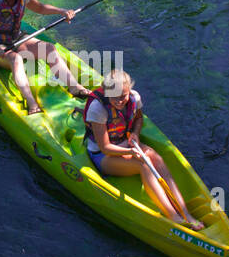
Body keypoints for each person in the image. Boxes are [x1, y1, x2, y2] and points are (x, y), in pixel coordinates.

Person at [84, 69, 205, 229]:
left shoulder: (134, 97)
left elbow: (138, 118)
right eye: (115, 97)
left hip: (125, 143)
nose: (120, 101)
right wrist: (130, 152)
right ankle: (173, 216)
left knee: (155, 157)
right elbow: (105, 148)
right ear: (107, 93)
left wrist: (135, 133)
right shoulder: (97, 108)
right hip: (102, 155)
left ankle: (185, 213)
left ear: (128, 90)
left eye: (123, 96)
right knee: (143, 165)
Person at [0, 0, 90, 116]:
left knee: (49, 49)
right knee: (16, 59)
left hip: (16, 39)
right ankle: (32, 103)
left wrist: (62, 11)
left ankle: (75, 87)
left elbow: (41, 8)